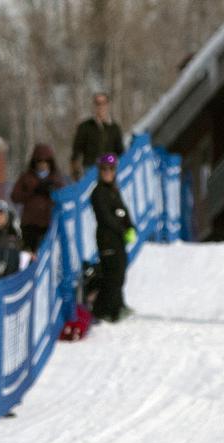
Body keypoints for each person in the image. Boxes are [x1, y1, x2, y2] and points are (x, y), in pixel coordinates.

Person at [89, 154, 134, 323]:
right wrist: (122, 230)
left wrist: (130, 227)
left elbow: (123, 211)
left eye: (111, 169)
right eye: (105, 170)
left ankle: (117, 306)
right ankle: (103, 311)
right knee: (112, 275)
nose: (108, 173)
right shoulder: (98, 192)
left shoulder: (113, 190)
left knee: (120, 273)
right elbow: (105, 217)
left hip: (118, 239)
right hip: (107, 239)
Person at [11, 144, 65, 254]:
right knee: (29, 253)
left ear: (50, 163)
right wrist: (33, 191)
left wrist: (52, 193)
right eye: (39, 161)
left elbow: (64, 198)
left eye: (46, 161)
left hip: (50, 222)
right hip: (30, 224)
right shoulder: (26, 177)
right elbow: (15, 196)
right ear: (34, 162)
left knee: (48, 253)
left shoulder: (56, 178)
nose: (43, 164)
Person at [70, 92, 125, 180]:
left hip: (109, 171)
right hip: (90, 170)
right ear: (94, 106)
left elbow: (120, 152)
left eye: (103, 103)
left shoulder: (114, 128)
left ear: (108, 105)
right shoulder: (85, 127)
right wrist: (75, 172)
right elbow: (76, 152)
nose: (101, 107)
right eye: (98, 103)